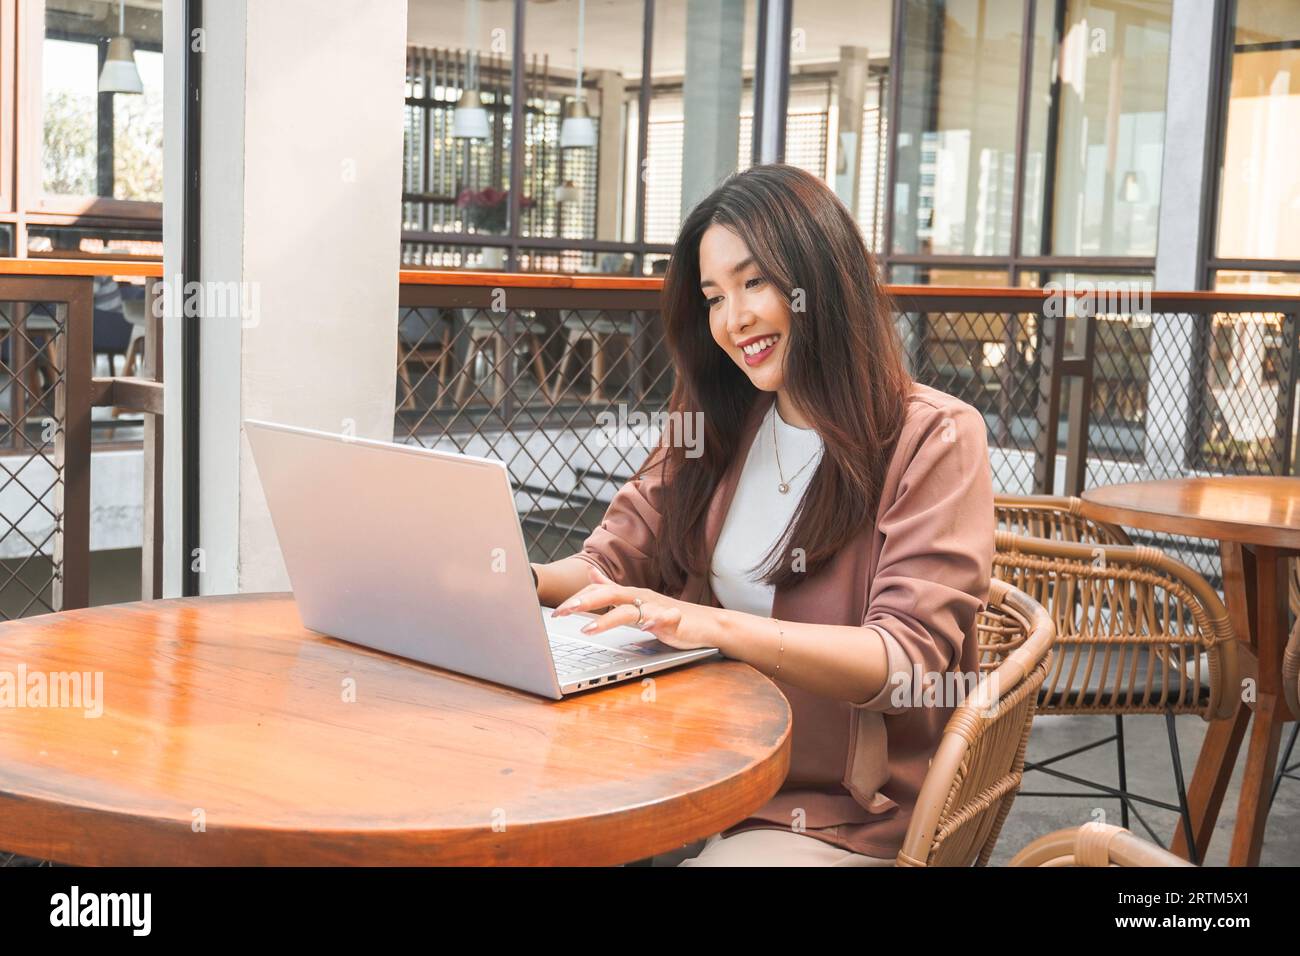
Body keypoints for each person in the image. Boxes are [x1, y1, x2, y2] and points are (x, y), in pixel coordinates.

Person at [532, 163, 994, 866]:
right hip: (691, 768)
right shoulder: (717, 418)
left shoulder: (934, 436)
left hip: (839, 817)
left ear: (821, 280)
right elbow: (610, 560)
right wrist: (510, 574)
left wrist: (709, 623)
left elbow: (902, 661)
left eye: (754, 283)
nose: (733, 319)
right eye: (714, 297)